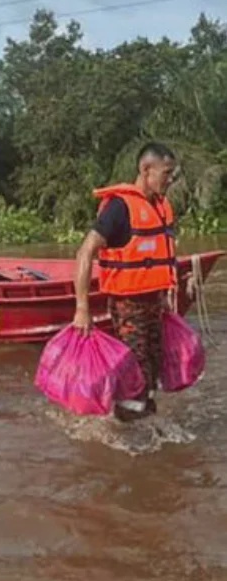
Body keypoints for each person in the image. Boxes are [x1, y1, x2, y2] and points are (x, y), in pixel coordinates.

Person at [72, 142, 179, 422]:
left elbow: (164, 254)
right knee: (135, 371)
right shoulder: (120, 208)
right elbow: (85, 252)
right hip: (128, 305)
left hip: (154, 302)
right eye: (166, 173)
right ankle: (126, 435)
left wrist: (170, 291)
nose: (170, 179)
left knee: (153, 367)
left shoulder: (160, 206)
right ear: (146, 170)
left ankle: (145, 422)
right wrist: (82, 308)